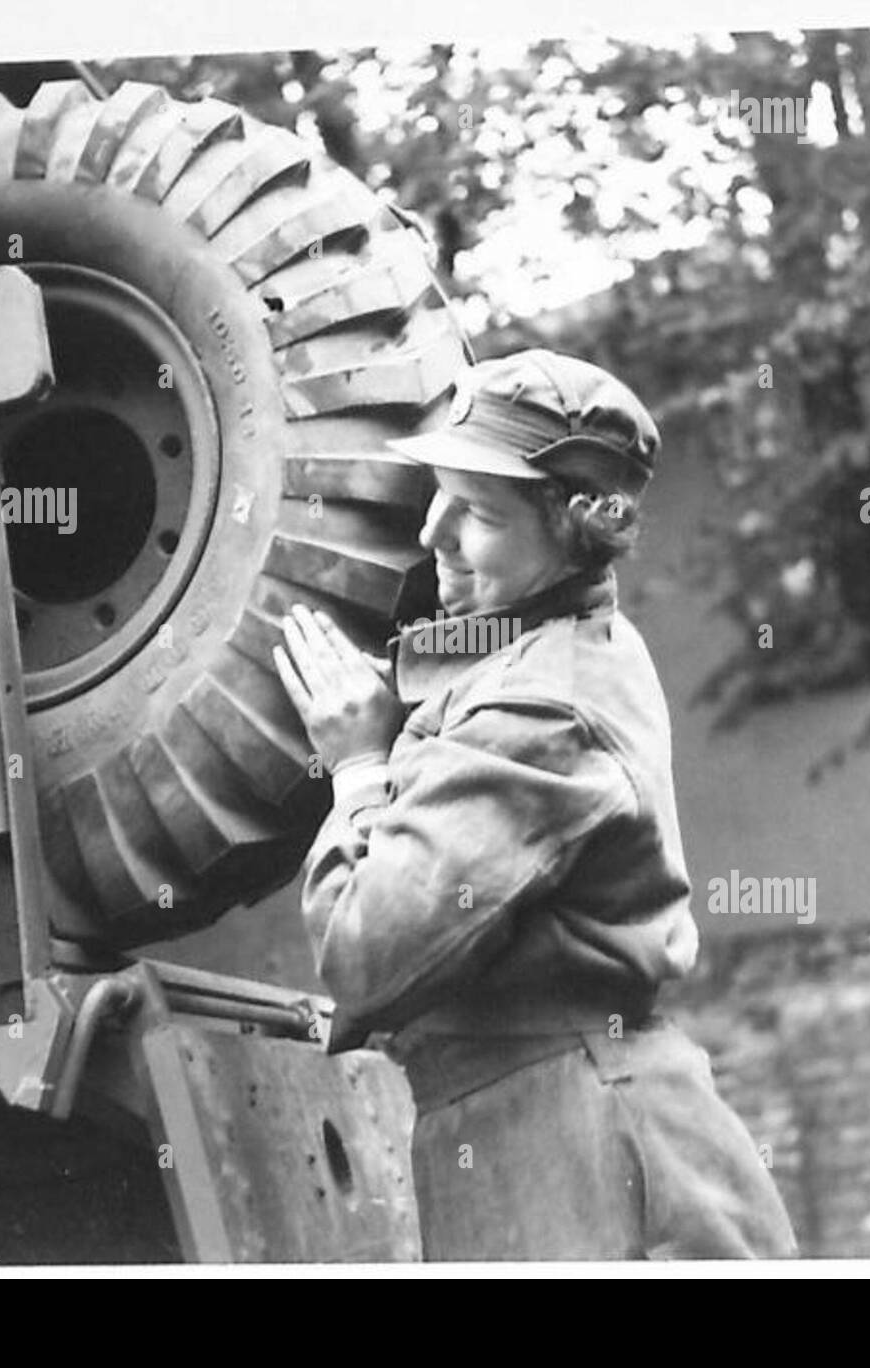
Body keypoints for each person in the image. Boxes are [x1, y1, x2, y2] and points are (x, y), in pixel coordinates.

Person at [273, 349, 797, 1261]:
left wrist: (358, 767)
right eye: (437, 494)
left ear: (572, 530)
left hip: (581, 1156)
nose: (433, 532)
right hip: (544, 1132)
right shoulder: (548, 649)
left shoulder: (542, 706)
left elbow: (362, 951)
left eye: (475, 512)